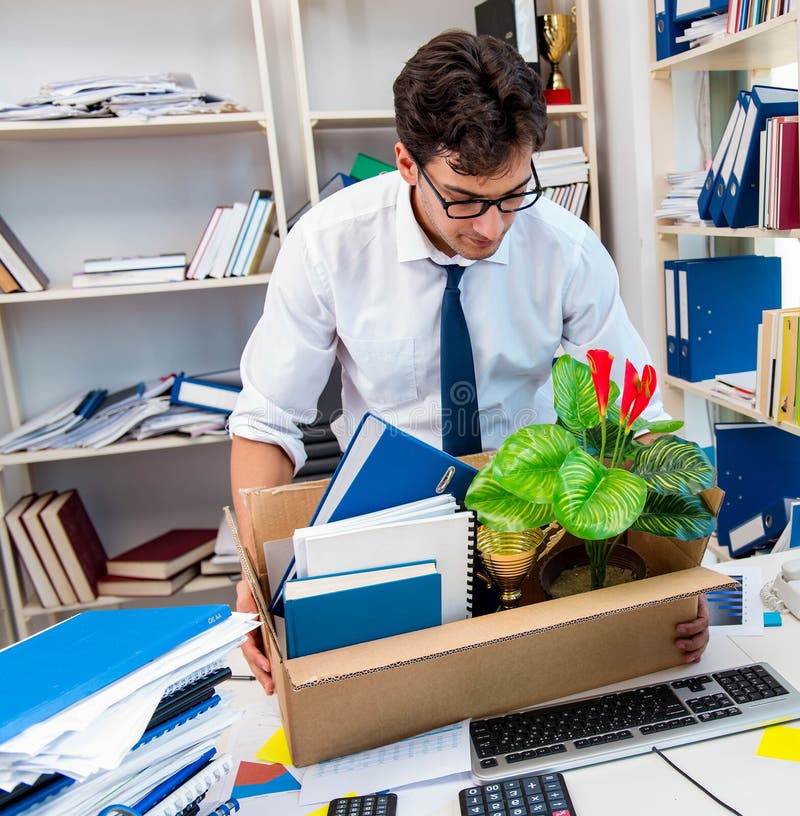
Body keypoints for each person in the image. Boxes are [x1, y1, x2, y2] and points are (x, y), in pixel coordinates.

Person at [229, 30, 710, 693]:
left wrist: (674, 572)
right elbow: (268, 422)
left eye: (513, 193)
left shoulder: (565, 250)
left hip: (541, 528)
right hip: (392, 533)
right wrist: (255, 575)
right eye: (463, 198)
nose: (490, 226)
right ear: (405, 163)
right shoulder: (327, 247)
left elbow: (636, 419)